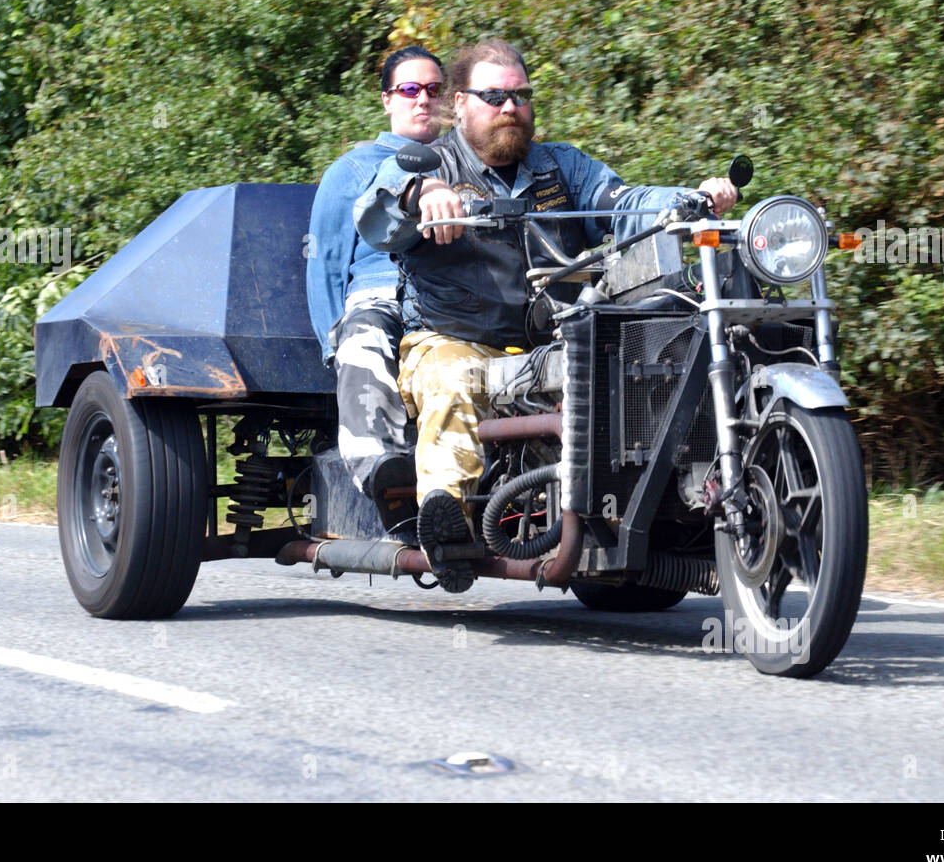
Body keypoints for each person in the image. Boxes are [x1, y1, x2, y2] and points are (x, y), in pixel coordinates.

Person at [354, 38, 737, 591]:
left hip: (551, 342)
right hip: (451, 338)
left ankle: (669, 513)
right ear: (460, 104)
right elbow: (376, 208)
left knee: (640, 356)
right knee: (453, 376)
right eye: (494, 96)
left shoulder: (561, 166)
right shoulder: (431, 162)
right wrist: (423, 192)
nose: (511, 108)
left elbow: (623, 202)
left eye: (521, 96)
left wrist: (688, 198)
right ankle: (448, 526)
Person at [305, 45, 444, 531]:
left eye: (433, 89)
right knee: (365, 336)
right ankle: (385, 472)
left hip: (450, 300)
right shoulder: (354, 169)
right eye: (410, 89)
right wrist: (333, 343)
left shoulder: (466, 164)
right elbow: (324, 264)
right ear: (387, 99)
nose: (422, 99)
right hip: (380, 294)